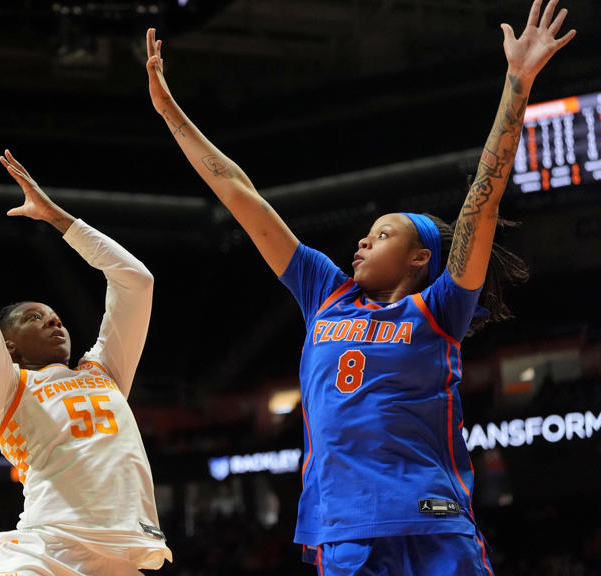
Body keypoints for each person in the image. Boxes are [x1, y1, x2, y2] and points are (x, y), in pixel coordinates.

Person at [144, 0, 574, 574]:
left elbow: (482, 203)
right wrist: (171, 113)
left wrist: (516, 85)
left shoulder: (440, 306)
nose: (363, 243)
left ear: (421, 257)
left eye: (383, 234)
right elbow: (242, 196)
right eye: (367, 236)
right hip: (343, 525)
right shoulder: (324, 289)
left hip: (432, 516)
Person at [0, 150, 172, 576]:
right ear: (8, 347)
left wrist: (59, 219)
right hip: (45, 555)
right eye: (33, 317)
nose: (53, 319)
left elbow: (136, 281)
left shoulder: (104, 371)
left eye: (52, 314)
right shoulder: (6, 392)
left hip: (122, 560)